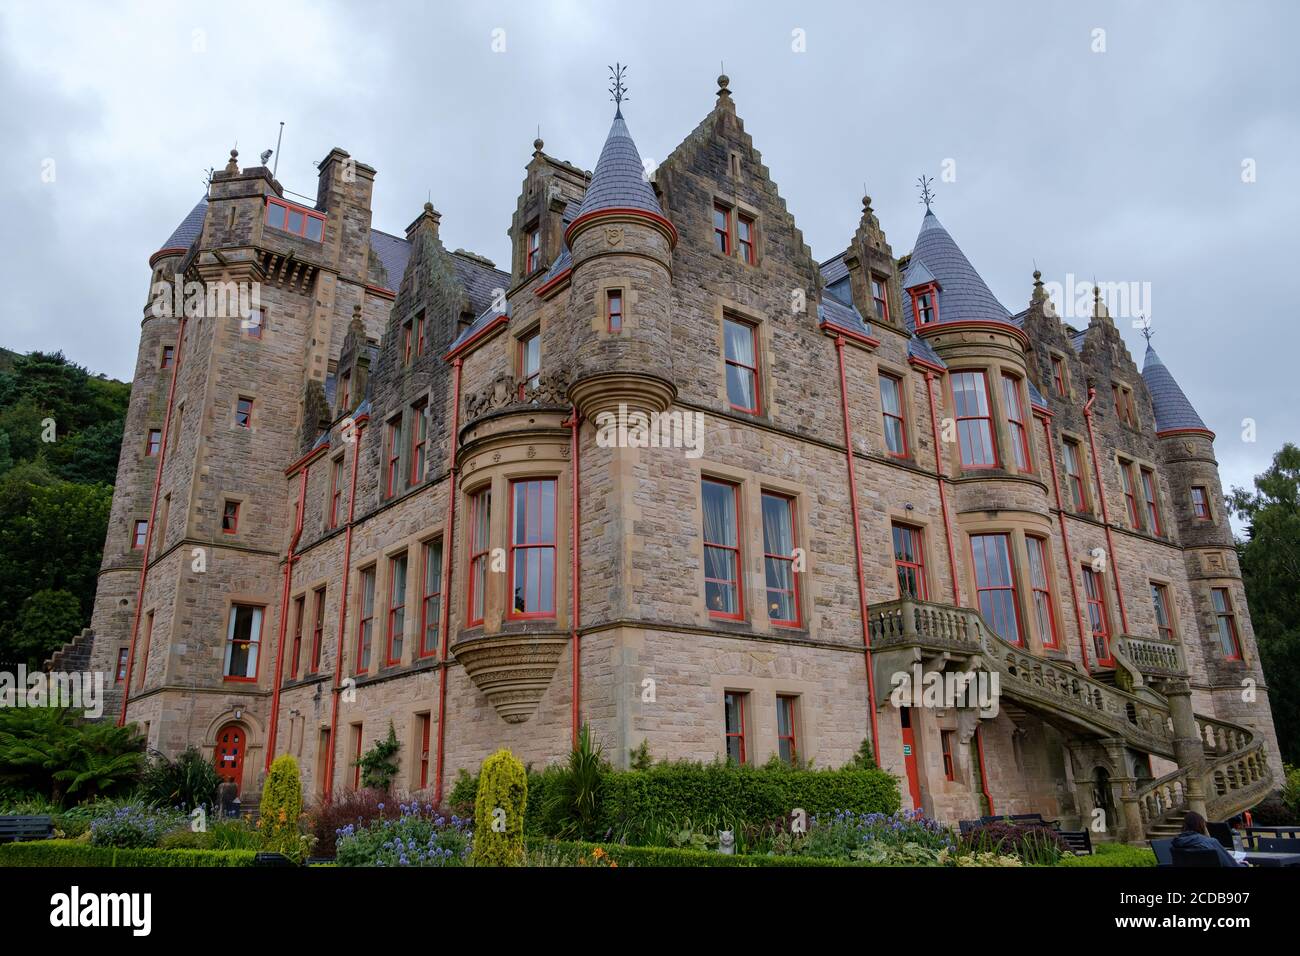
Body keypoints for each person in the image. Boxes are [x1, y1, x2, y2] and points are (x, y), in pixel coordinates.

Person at [1172, 811, 1243, 867]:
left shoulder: (1177, 843)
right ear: (1201, 825)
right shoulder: (1210, 842)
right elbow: (1231, 865)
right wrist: (1244, 864)